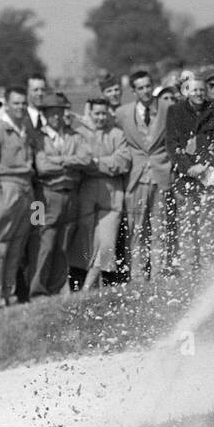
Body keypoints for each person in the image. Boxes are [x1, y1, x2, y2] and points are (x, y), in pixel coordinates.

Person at [0, 84, 37, 308]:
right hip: (6, 189)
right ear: (7, 105)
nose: (20, 107)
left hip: (25, 190)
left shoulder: (25, 130)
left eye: (23, 103)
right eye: (16, 103)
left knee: (16, 245)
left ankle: (9, 294)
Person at [165, 75, 214, 276]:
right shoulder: (174, 111)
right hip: (186, 175)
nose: (199, 94)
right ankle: (192, 267)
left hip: (208, 173)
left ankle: (211, 266)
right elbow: (172, 144)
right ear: (186, 91)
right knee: (188, 221)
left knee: (209, 221)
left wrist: (205, 163)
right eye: (194, 90)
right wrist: (187, 168)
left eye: (202, 90)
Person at [28, 92, 88, 296]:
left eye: (59, 112)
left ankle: (54, 289)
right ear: (44, 114)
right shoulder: (37, 138)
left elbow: (85, 159)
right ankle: (36, 291)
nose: (56, 116)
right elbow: (42, 167)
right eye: (51, 112)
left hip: (70, 195)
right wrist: (68, 161)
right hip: (44, 196)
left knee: (63, 244)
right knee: (43, 242)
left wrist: (60, 161)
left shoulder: (74, 136)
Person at [117, 68, 172, 280]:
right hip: (136, 177)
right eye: (141, 88)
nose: (146, 91)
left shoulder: (167, 108)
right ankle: (140, 274)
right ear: (133, 91)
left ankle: (158, 273)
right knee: (137, 228)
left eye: (149, 86)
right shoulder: (123, 113)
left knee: (159, 227)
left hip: (161, 175)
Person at [74, 96, 131, 291]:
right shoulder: (80, 133)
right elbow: (82, 160)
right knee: (86, 240)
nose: (100, 118)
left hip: (112, 195)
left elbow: (123, 162)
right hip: (87, 193)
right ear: (89, 114)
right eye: (96, 114)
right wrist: (106, 162)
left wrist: (97, 163)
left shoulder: (117, 134)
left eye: (103, 113)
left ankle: (89, 286)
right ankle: (85, 286)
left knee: (107, 243)